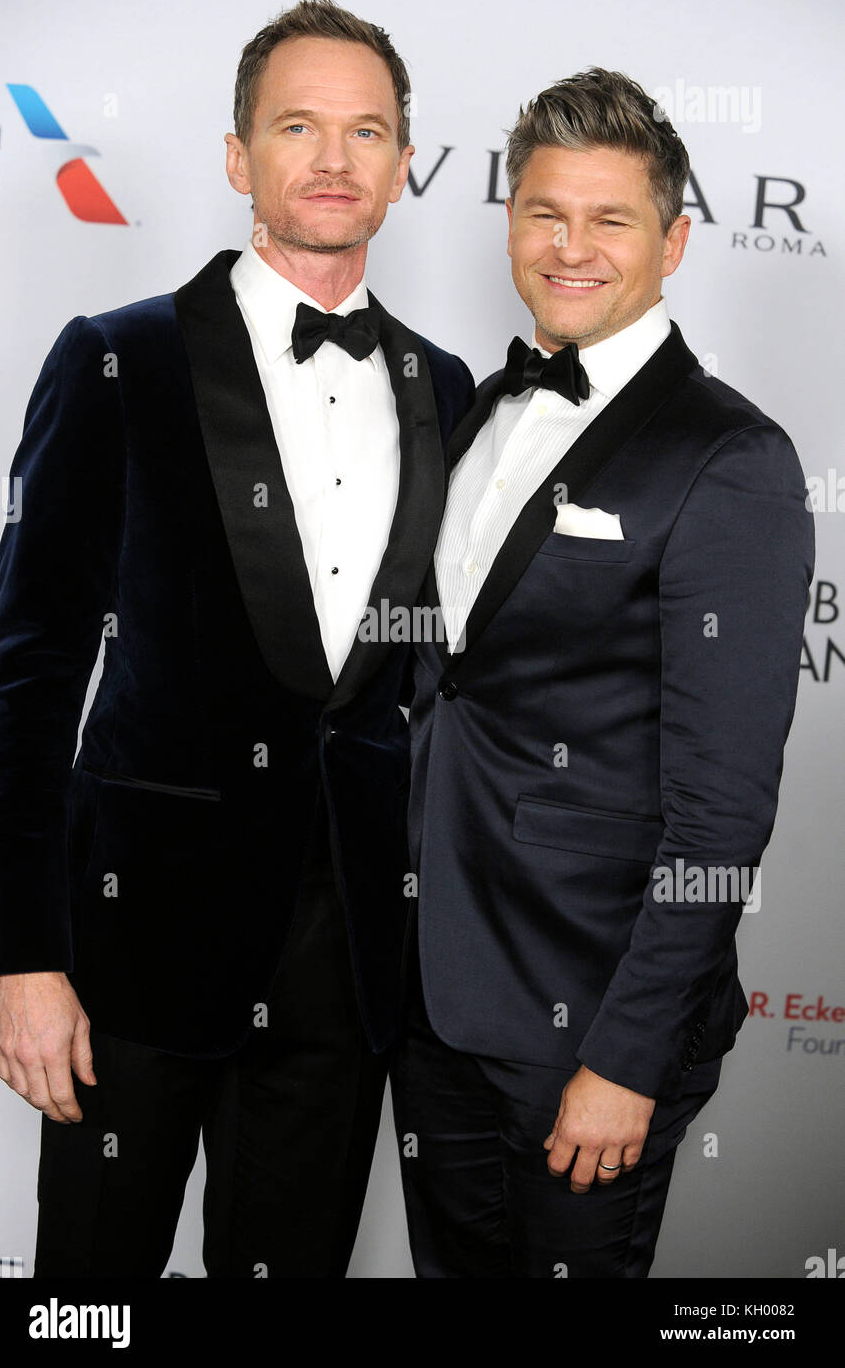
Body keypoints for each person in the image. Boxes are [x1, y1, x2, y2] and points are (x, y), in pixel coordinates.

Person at [0, 0, 473, 1278]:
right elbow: (27, 672)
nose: (331, 158)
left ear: (403, 163)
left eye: (365, 130)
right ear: (236, 153)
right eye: (296, 125)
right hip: (133, 956)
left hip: (345, 966)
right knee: (85, 1302)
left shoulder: (445, 386)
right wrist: (23, 953)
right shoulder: (115, 360)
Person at [392, 66, 814, 1278]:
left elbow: (722, 811)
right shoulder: (476, 410)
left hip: (587, 1023)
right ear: (509, 219)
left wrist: (625, 1056)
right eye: (542, 212)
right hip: (434, 999)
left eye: (609, 220)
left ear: (672, 241)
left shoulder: (727, 457)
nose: (568, 248)